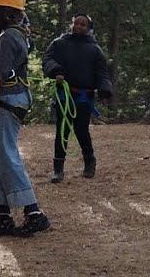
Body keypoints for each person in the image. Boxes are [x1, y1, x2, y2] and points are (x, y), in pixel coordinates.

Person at [0, 0, 51, 237]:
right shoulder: (15, 32)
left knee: (6, 155)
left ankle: (33, 212)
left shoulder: (10, 37)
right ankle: (4, 214)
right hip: (10, 99)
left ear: (7, 14)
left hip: (8, 100)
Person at [42, 13, 113, 183]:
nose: (79, 27)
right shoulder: (59, 43)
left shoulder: (95, 50)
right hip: (63, 95)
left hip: (84, 97)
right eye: (77, 23)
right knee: (62, 131)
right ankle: (58, 169)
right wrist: (55, 70)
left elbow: (102, 72)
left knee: (82, 131)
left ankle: (89, 162)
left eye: (84, 25)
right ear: (72, 24)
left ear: (89, 29)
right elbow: (47, 59)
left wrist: (105, 89)